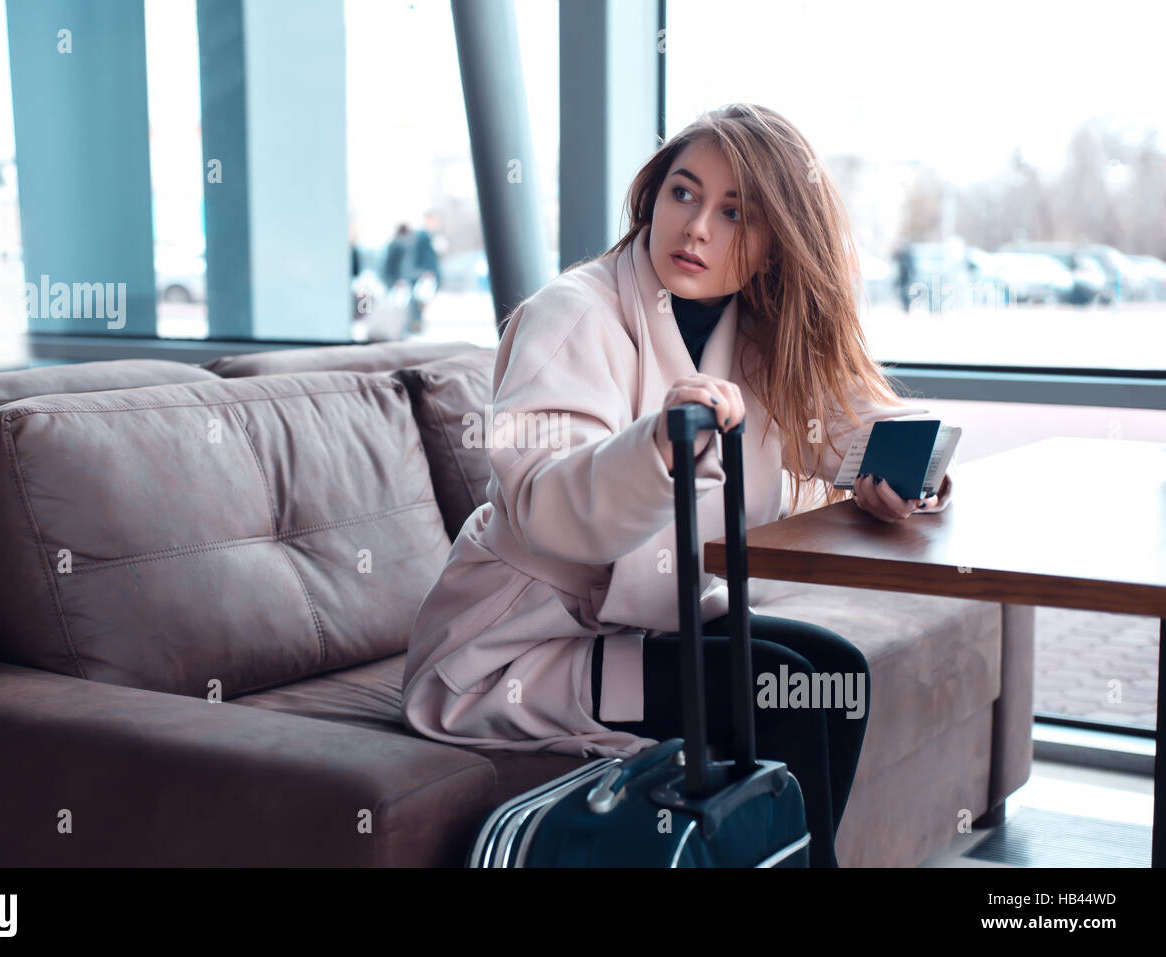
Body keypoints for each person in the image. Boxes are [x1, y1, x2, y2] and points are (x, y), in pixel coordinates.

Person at [400, 104, 953, 867]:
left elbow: (842, 429)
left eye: (735, 213)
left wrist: (909, 474)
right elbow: (547, 502)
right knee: (767, 687)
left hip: (655, 628)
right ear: (654, 196)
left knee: (833, 678)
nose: (696, 228)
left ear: (771, 247)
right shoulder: (571, 316)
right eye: (684, 194)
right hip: (524, 654)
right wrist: (659, 445)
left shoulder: (753, 335)